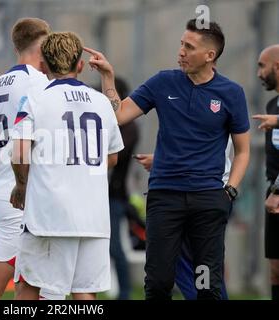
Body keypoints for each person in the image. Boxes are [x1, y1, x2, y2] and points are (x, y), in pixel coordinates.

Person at [86, 18, 250, 299]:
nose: (181, 52)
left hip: (209, 199)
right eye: (181, 44)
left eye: (189, 46)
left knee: (207, 286)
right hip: (165, 197)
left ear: (210, 55)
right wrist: (108, 78)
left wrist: (229, 192)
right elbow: (118, 115)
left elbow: (243, 150)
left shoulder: (231, 93)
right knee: (159, 282)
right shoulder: (163, 82)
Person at [10, 31, 124, 300]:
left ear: (44, 65)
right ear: (81, 65)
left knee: (30, 287)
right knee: (84, 293)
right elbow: (113, 157)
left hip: (49, 215)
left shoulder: (34, 98)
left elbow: (19, 152)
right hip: (94, 217)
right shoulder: (101, 103)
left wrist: (21, 186)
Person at [0, 17, 61, 300]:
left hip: (2, 194)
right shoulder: (42, 85)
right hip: (24, 199)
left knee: (33, 289)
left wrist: (10, 161)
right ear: (43, 45)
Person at [134, 140, 233, 300]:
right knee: (197, 273)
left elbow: (199, 144)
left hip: (202, 193)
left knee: (204, 276)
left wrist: (162, 161)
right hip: (194, 191)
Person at [106, 77, 138, 300]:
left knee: (115, 247)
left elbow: (117, 155)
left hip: (114, 196)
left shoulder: (129, 126)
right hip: (100, 194)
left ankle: (124, 293)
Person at [252, 44, 279, 300]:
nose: (259, 73)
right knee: (275, 269)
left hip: (277, 193)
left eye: (262, 65)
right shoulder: (273, 104)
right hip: (274, 194)